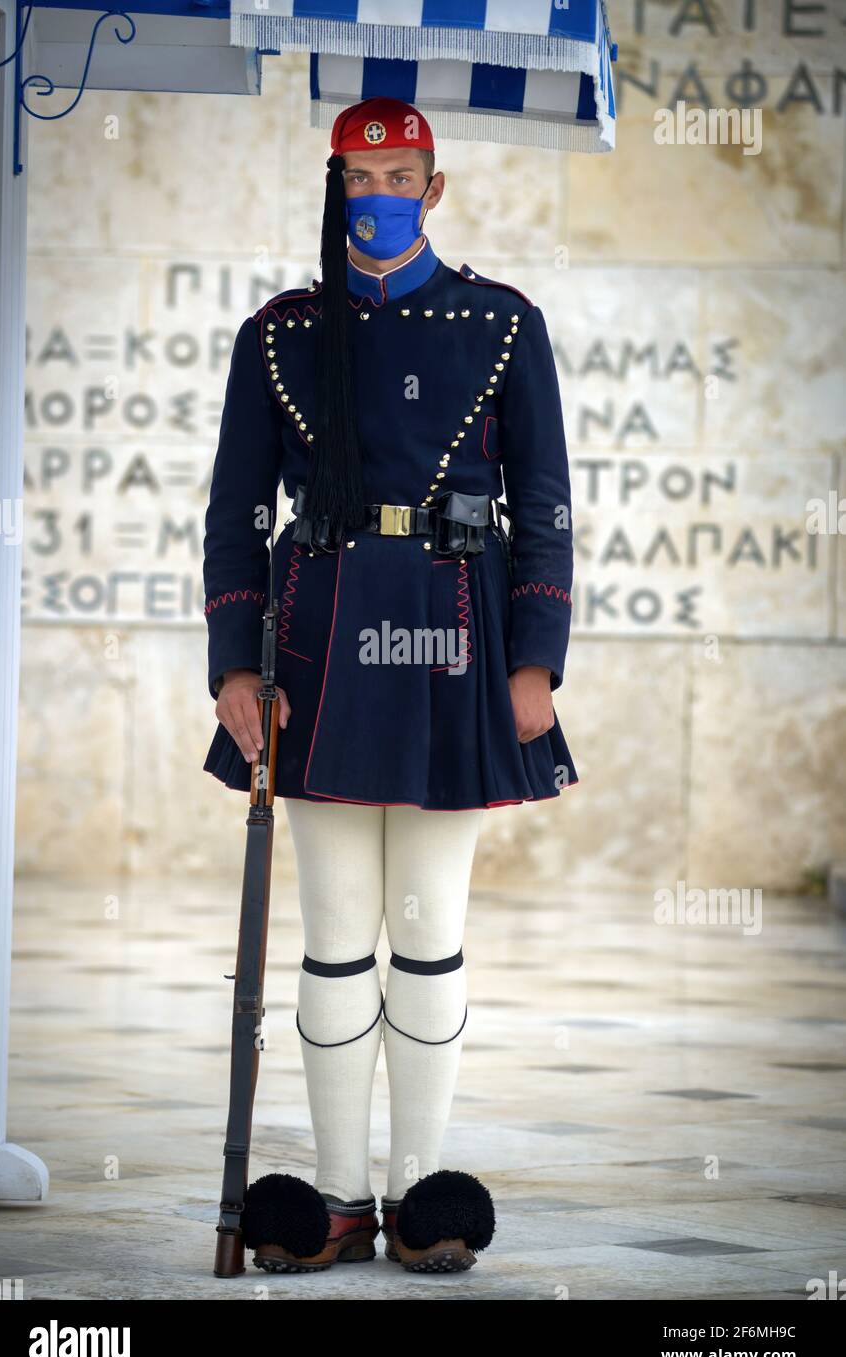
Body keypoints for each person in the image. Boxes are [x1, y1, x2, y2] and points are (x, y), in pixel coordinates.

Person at [202, 96, 577, 1274]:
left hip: (451, 641)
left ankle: (422, 1192)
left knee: (427, 929)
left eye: (400, 173)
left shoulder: (503, 324)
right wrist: (232, 663)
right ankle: (337, 1194)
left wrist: (534, 660)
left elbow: (549, 511)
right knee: (332, 935)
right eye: (358, 176)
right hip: (312, 643)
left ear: (435, 186)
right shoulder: (280, 334)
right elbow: (233, 514)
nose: (378, 193)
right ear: (333, 185)